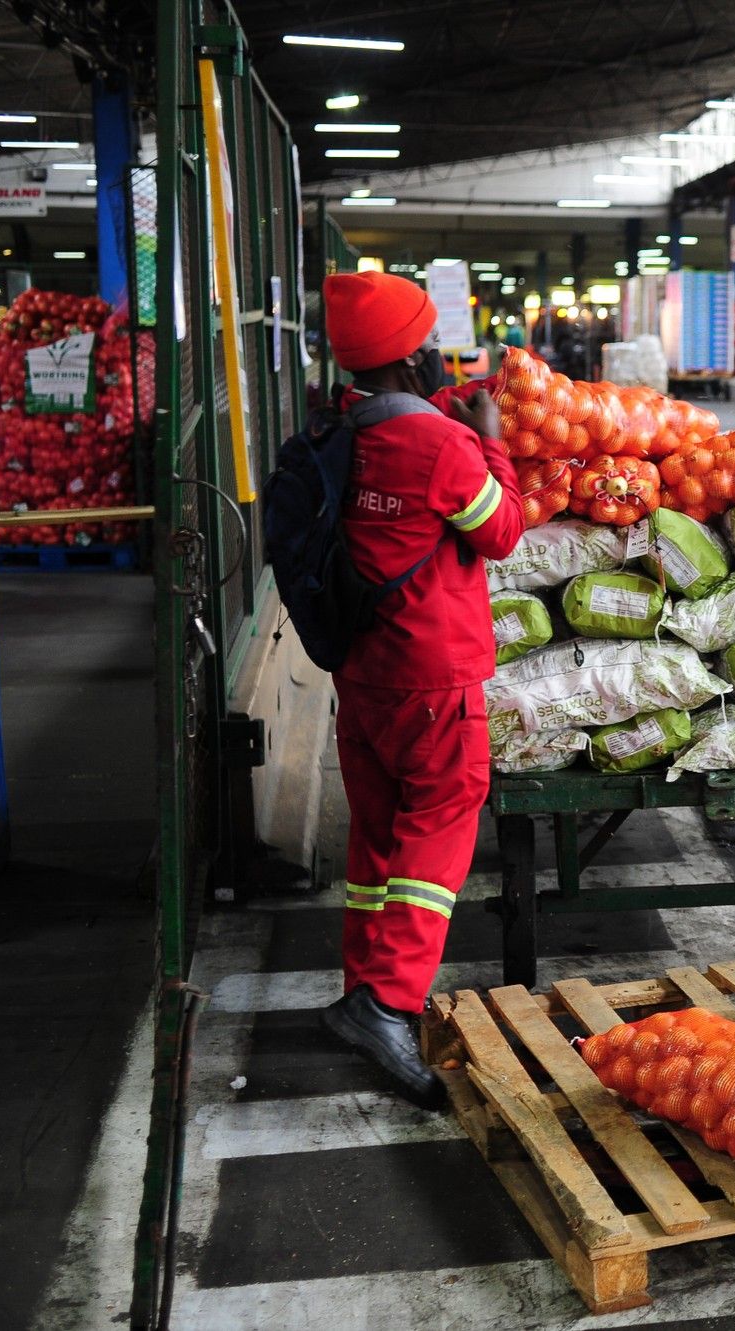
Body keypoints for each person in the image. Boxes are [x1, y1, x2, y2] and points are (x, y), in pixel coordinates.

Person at [317, 270, 525, 1107]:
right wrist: (492, 439)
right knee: (441, 823)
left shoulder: (342, 432)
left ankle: (361, 984)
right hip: (433, 677)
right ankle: (390, 1001)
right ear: (413, 360)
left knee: (378, 838)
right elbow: (501, 531)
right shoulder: (443, 447)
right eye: (432, 343)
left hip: (362, 676)